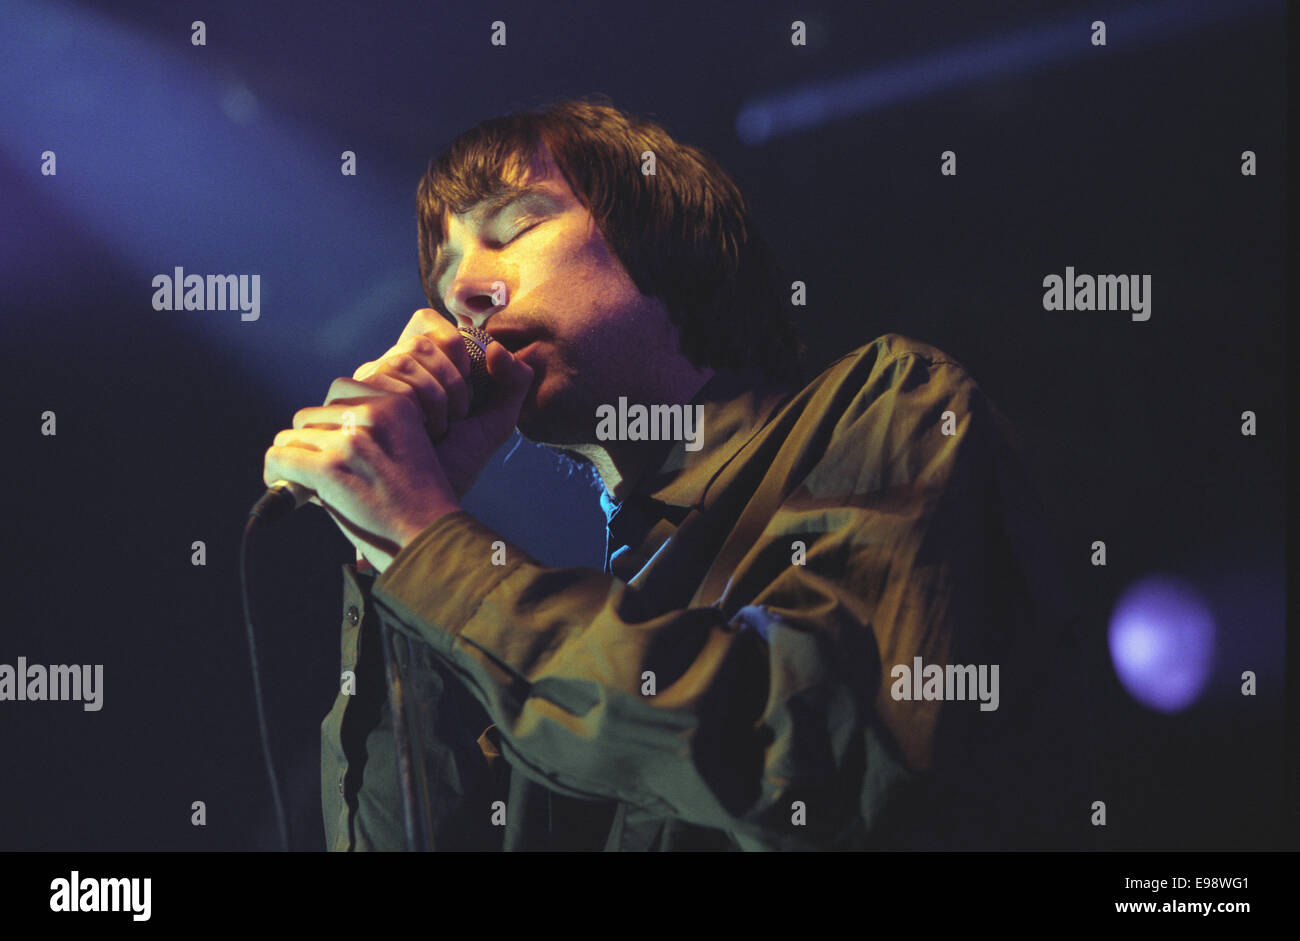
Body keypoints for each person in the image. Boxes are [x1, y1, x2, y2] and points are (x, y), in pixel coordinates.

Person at [263, 96, 1088, 851]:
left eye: (513, 228)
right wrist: (389, 557)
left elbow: (816, 765)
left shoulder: (888, 404)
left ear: (662, 235)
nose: (463, 291)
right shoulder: (572, 620)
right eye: (444, 277)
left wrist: (430, 546)